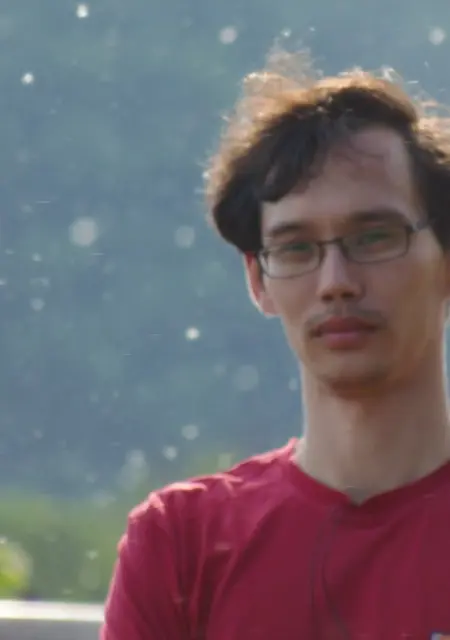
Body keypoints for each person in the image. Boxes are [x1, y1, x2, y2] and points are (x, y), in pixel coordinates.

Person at [101, 50, 450, 639]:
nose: (336, 281)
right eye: (296, 248)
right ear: (258, 280)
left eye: (375, 237)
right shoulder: (181, 544)